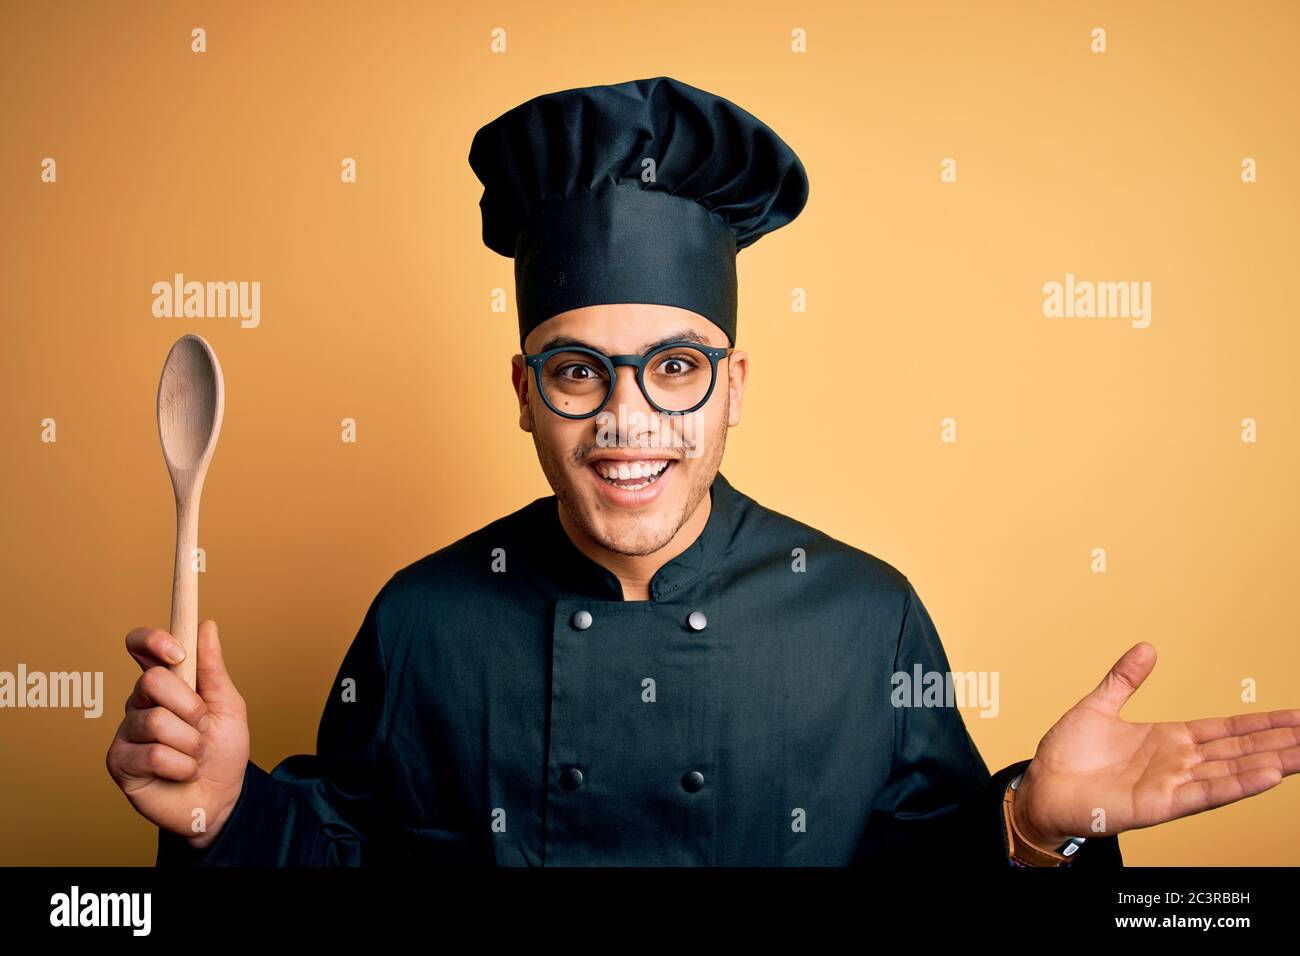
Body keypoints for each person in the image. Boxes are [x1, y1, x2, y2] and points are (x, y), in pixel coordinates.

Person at [108, 76, 1297, 867]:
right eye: (578, 371)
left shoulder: (864, 615)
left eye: (673, 366)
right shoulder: (420, 617)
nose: (629, 420)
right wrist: (225, 806)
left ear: (733, 386)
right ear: (524, 393)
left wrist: (1032, 828)